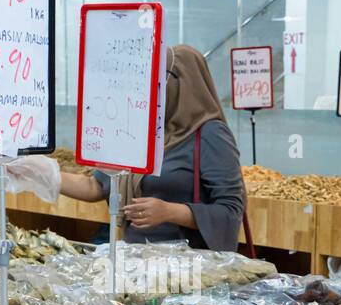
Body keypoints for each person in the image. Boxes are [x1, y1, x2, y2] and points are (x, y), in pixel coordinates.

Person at [58, 44, 247, 252]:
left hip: (189, 269)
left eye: (157, 81)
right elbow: (97, 186)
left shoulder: (211, 134)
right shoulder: (143, 132)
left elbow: (231, 212)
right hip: (140, 261)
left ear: (184, 85)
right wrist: (44, 174)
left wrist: (169, 211)